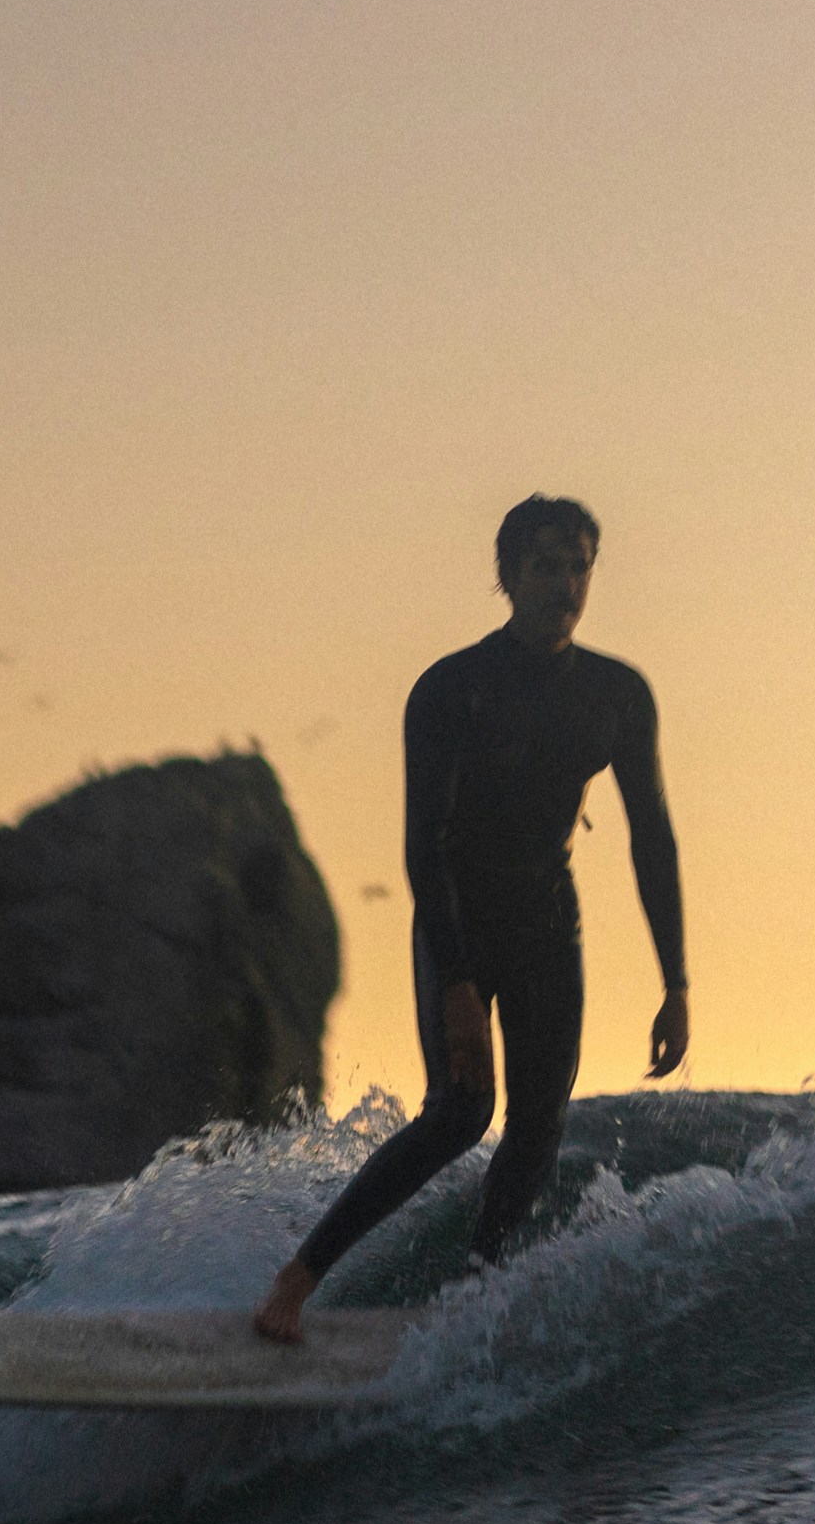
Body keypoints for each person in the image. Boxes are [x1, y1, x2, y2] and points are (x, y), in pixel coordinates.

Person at [254, 497, 688, 1342]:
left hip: (547, 919)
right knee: (459, 1114)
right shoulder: (452, 688)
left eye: (579, 567)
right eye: (546, 567)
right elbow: (424, 847)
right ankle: (294, 1284)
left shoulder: (616, 695)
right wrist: (455, 981)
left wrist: (675, 983)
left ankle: (470, 1300)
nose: (565, 585)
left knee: (538, 1131)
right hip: (460, 913)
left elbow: (653, 838)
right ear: (507, 576)